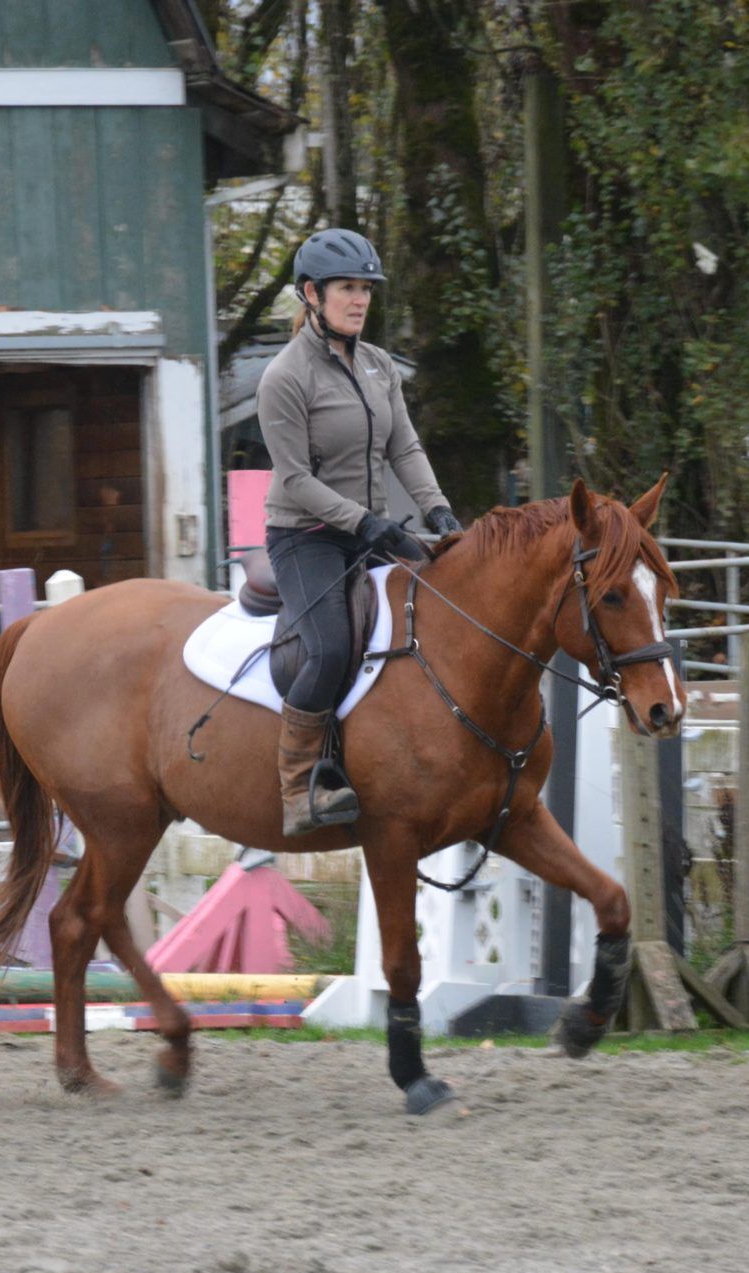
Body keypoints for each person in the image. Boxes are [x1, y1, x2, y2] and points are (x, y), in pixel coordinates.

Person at [256, 227, 463, 837]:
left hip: (368, 531)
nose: (360, 300)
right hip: (306, 535)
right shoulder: (284, 377)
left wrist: (440, 513)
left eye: (366, 289)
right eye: (347, 288)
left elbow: (405, 445)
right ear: (312, 295)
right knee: (330, 646)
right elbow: (294, 479)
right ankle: (297, 789)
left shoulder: (377, 366)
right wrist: (370, 524)